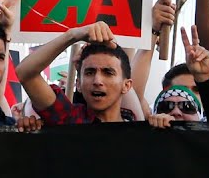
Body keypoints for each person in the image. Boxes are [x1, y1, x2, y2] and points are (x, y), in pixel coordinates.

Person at [17, 21, 172, 127]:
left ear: (126, 85)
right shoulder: (69, 120)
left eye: (108, 72)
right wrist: (72, 35)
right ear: (78, 84)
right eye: (90, 72)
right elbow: (25, 74)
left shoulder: (140, 129)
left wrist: (166, 127)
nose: (97, 80)